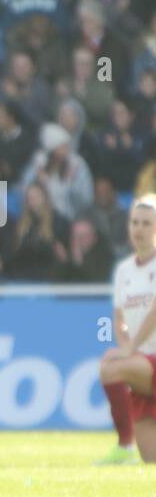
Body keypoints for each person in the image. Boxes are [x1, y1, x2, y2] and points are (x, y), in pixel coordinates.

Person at [97, 195, 156, 464]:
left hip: (149, 358)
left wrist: (129, 351)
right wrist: (124, 346)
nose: (139, 229)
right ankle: (131, 448)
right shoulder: (124, 270)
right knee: (152, 459)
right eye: (135, 222)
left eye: (146, 223)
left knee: (110, 369)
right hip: (141, 362)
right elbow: (119, 318)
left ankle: (124, 445)